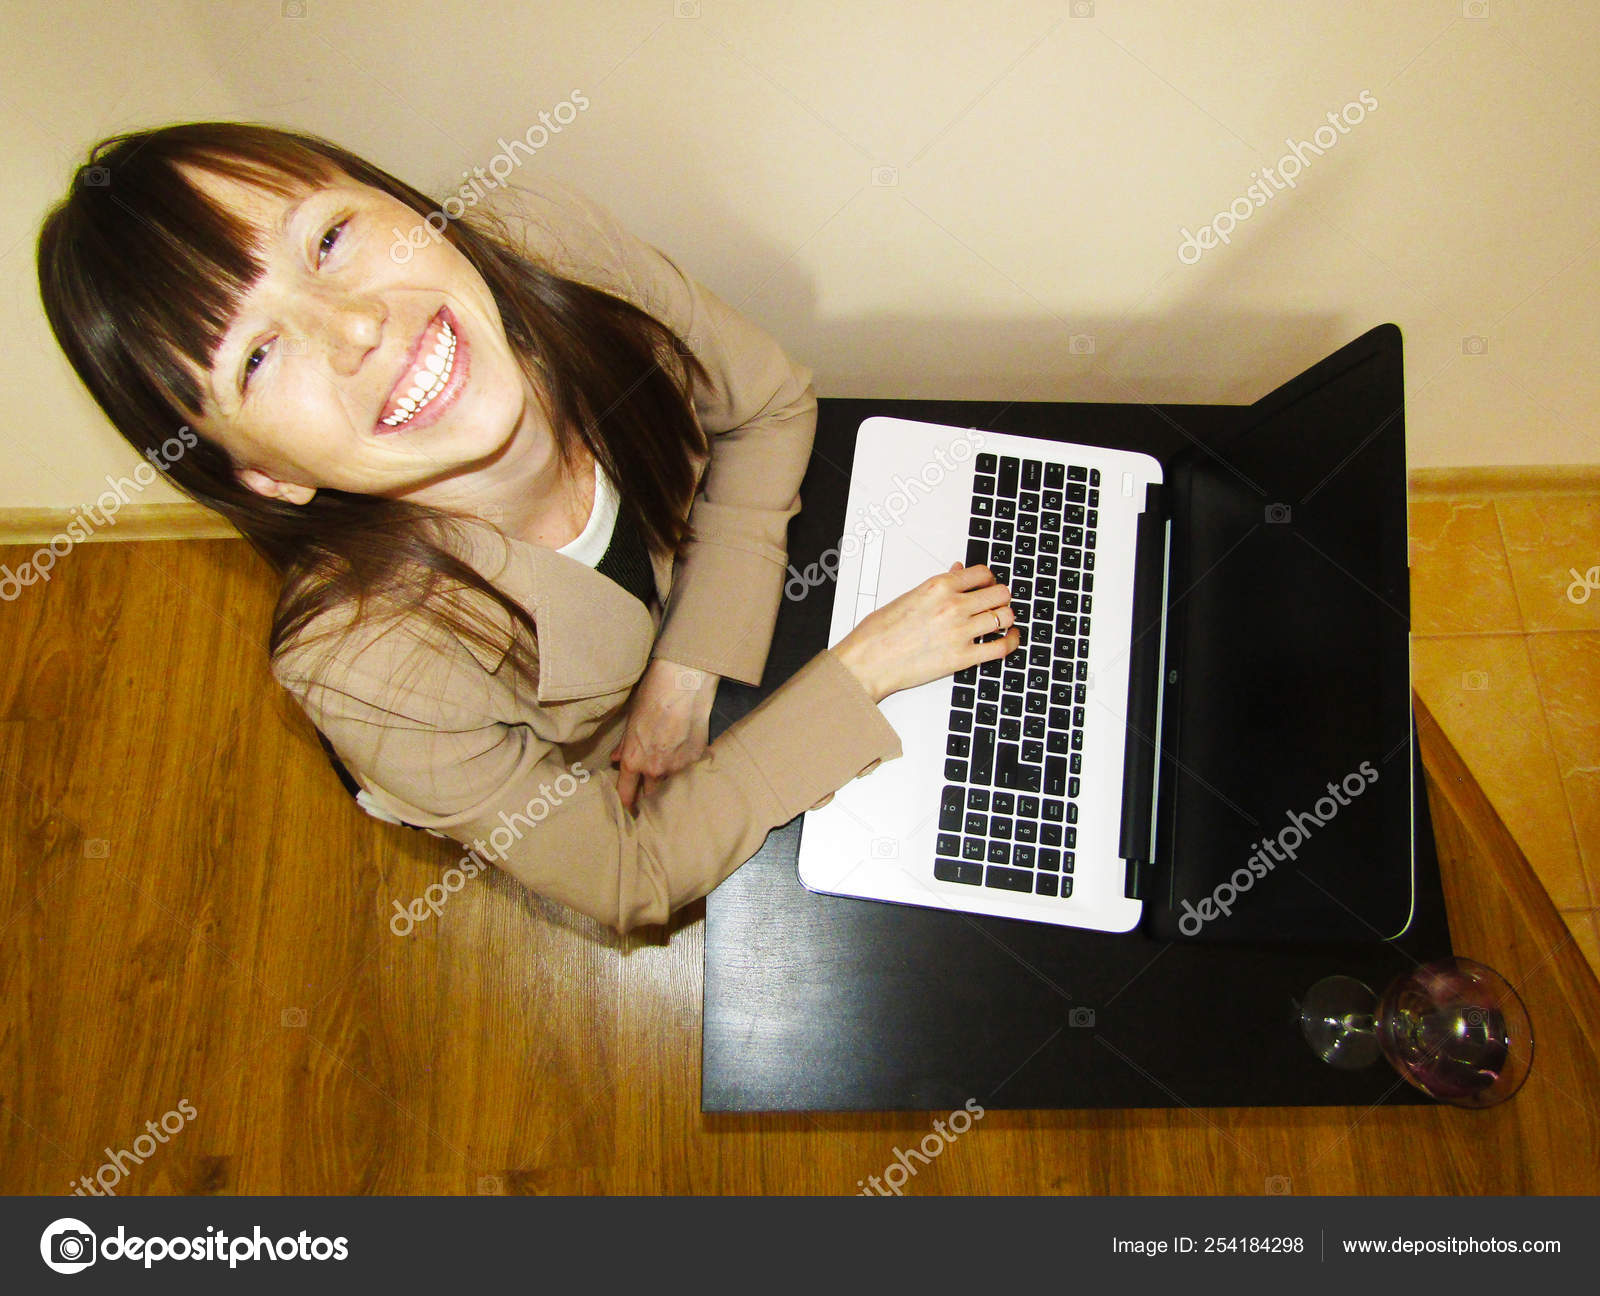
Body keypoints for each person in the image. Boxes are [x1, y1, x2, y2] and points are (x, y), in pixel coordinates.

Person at [35, 121, 1019, 934]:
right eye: (254, 360)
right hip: (560, 769)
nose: (356, 326)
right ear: (259, 474)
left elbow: (766, 406)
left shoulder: (547, 245)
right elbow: (627, 876)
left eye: (327, 239)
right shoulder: (366, 671)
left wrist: (685, 673)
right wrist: (856, 679)